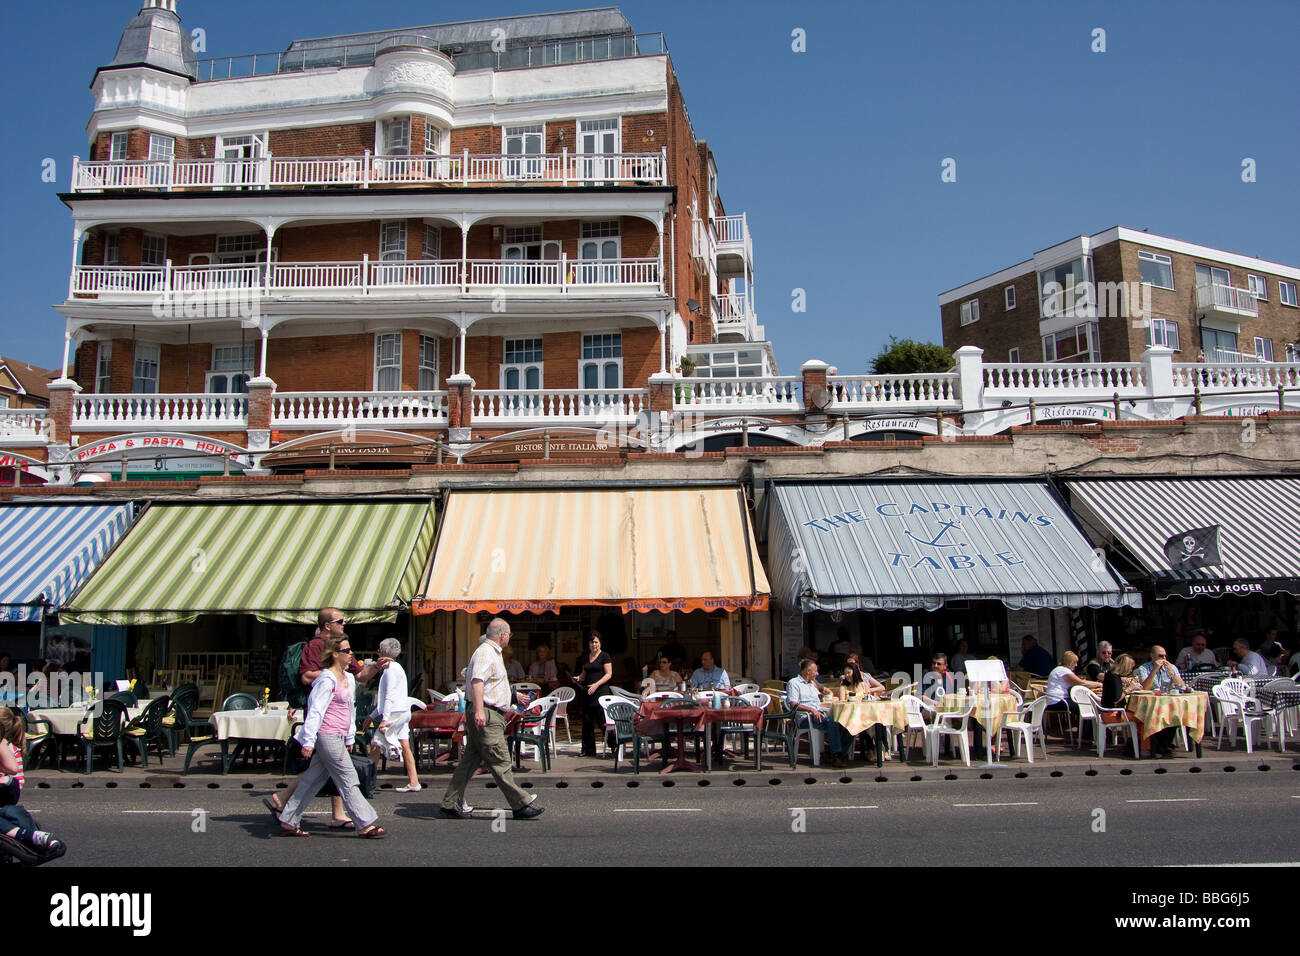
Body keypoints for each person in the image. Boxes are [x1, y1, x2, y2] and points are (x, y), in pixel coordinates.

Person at [265, 608, 389, 826]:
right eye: (340, 621)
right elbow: (306, 678)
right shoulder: (317, 650)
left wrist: (376, 667)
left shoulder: (342, 649)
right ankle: (364, 822)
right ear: (326, 625)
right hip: (325, 723)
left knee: (318, 773)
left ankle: (291, 814)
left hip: (337, 726)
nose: (344, 623)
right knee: (345, 775)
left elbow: (359, 675)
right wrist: (333, 673)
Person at [439, 618, 543, 820]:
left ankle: (450, 803)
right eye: (509, 634)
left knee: (469, 762)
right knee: (500, 760)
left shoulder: (491, 653)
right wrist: (479, 710)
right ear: (503, 635)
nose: (509, 638)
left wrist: (512, 696)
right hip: (487, 713)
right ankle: (520, 804)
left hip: (489, 712)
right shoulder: (486, 652)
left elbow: (490, 685)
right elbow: (477, 682)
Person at [0, 707, 66, 862]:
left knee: (12, 813)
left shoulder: (6, 749)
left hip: (6, 796)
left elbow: (13, 770)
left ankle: (29, 836)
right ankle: (28, 835)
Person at [364, 637, 419, 793]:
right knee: (405, 745)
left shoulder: (390, 671)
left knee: (375, 745)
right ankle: (414, 781)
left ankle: (368, 782)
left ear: (384, 652)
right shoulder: (398, 668)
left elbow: (388, 696)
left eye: (379, 651)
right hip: (402, 711)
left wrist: (383, 719)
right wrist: (372, 715)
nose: (378, 653)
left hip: (394, 713)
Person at [786, 659, 848, 769]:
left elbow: (818, 703)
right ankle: (836, 755)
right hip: (805, 717)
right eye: (815, 671)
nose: (817, 673)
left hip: (819, 713)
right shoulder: (794, 683)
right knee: (831, 721)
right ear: (807, 671)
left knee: (845, 722)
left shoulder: (812, 684)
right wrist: (811, 710)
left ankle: (831, 752)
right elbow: (793, 704)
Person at [575, 631, 614, 757]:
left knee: (603, 720)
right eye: (592, 642)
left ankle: (614, 745)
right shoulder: (585, 656)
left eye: (596, 642)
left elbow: (609, 674)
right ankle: (588, 750)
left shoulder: (605, 656)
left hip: (600, 692)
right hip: (588, 692)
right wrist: (579, 678)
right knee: (587, 721)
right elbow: (584, 673)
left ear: (600, 643)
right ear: (588, 644)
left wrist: (596, 685)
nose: (594, 645)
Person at [1043, 651, 1102, 729]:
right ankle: (1086, 735)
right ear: (1070, 662)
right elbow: (1081, 683)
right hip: (1057, 701)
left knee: (1084, 706)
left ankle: (1085, 733)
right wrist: (1099, 684)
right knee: (1085, 707)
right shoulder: (1063, 671)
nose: (1076, 665)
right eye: (1075, 662)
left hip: (1054, 700)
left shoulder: (1059, 669)